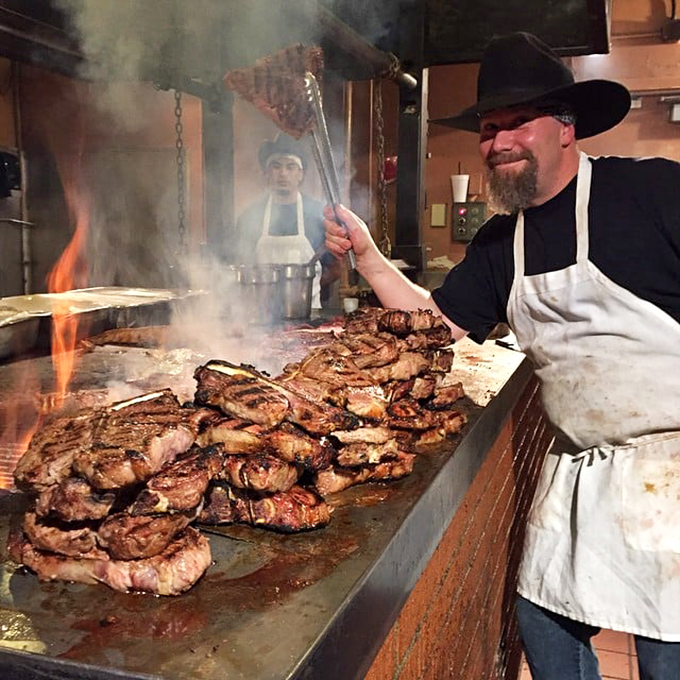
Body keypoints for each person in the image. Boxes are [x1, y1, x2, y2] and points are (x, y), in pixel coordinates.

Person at [324, 32, 680, 680]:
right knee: (542, 623)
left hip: (674, 465)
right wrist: (369, 256)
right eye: (489, 128)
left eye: (518, 121)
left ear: (567, 127)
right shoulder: (498, 246)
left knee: (667, 654)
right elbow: (434, 326)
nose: (499, 142)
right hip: (581, 470)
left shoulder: (653, 195)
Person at [234, 133, 339, 309]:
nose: (283, 174)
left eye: (290, 167)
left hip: (309, 314)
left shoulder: (319, 215)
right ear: (267, 173)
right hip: (261, 315)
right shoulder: (250, 217)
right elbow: (241, 263)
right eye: (276, 166)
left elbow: (336, 266)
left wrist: (304, 288)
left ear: (301, 174)